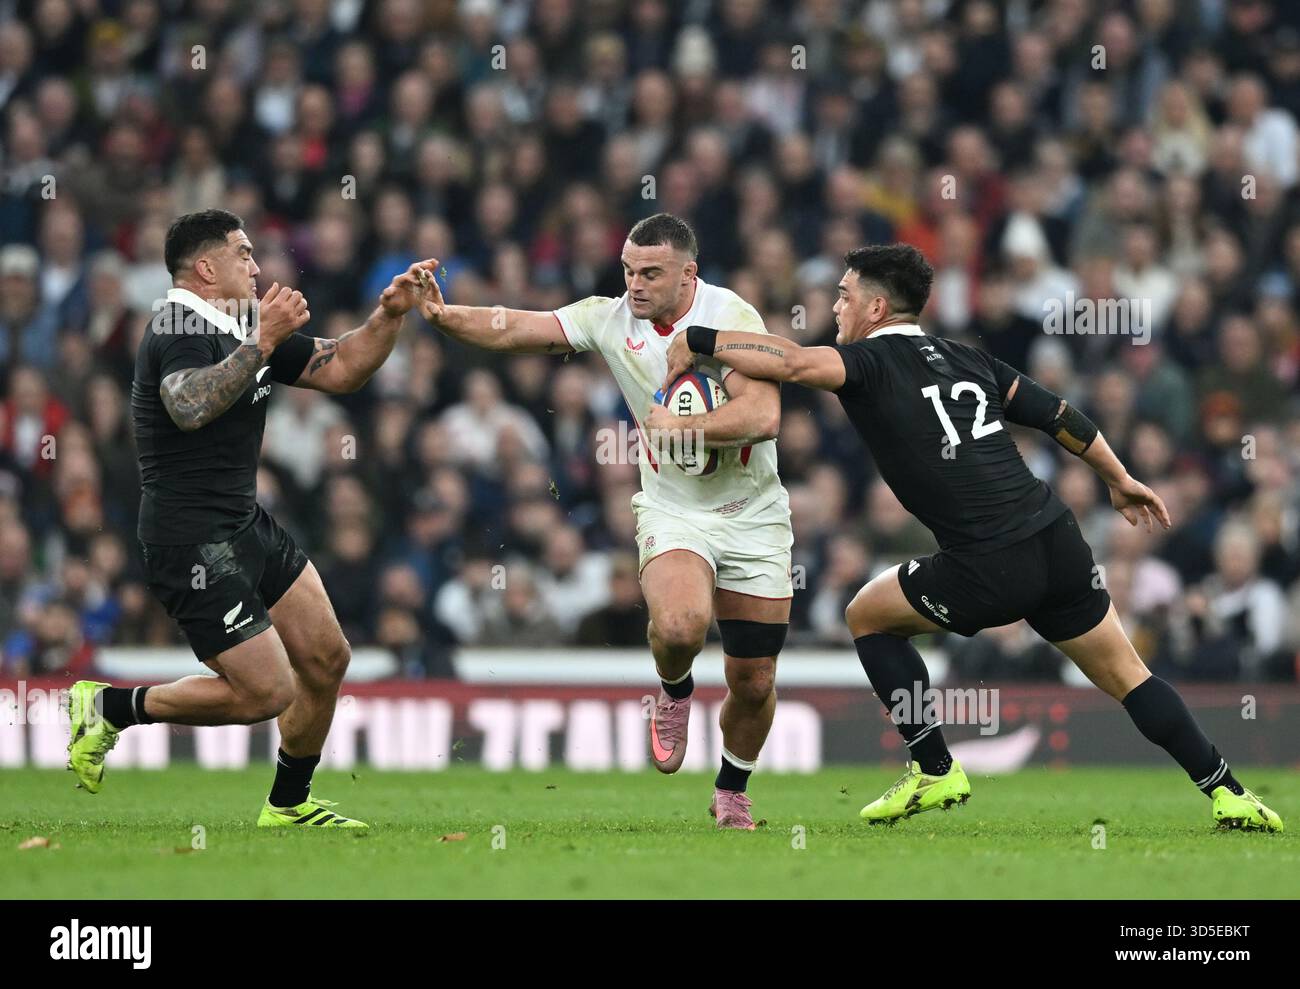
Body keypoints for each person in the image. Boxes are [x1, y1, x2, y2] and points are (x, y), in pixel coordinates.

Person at [663, 243, 1282, 833]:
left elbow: (792, 362)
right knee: (1130, 676)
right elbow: (1058, 415)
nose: (835, 307)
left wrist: (700, 339)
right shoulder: (967, 357)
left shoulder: (867, 362)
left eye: (845, 296)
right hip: (1056, 537)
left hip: (991, 562)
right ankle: (1229, 792)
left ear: (877, 309)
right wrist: (1119, 479)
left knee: (867, 616)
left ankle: (934, 767)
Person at [419, 213, 792, 830]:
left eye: (651, 273)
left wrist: (682, 426)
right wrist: (443, 315)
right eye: (627, 270)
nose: (634, 284)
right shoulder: (609, 317)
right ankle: (673, 690)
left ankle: (731, 789)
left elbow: (763, 415)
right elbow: (516, 327)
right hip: (674, 507)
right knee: (678, 627)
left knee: (753, 678)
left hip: (754, 512)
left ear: (687, 275)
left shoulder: (734, 319)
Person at [67, 208, 437, 829]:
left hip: (242, 523)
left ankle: (288, 806)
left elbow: (342, 366)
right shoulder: (175, 326)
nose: (257, 265)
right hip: (189, 540)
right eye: (244, 254)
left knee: (326, 656)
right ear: (206, 267)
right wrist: (262, 340)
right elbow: (187, 405)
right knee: (267, 692)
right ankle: (110, 708)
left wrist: (389, 315)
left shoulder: (240, 322)